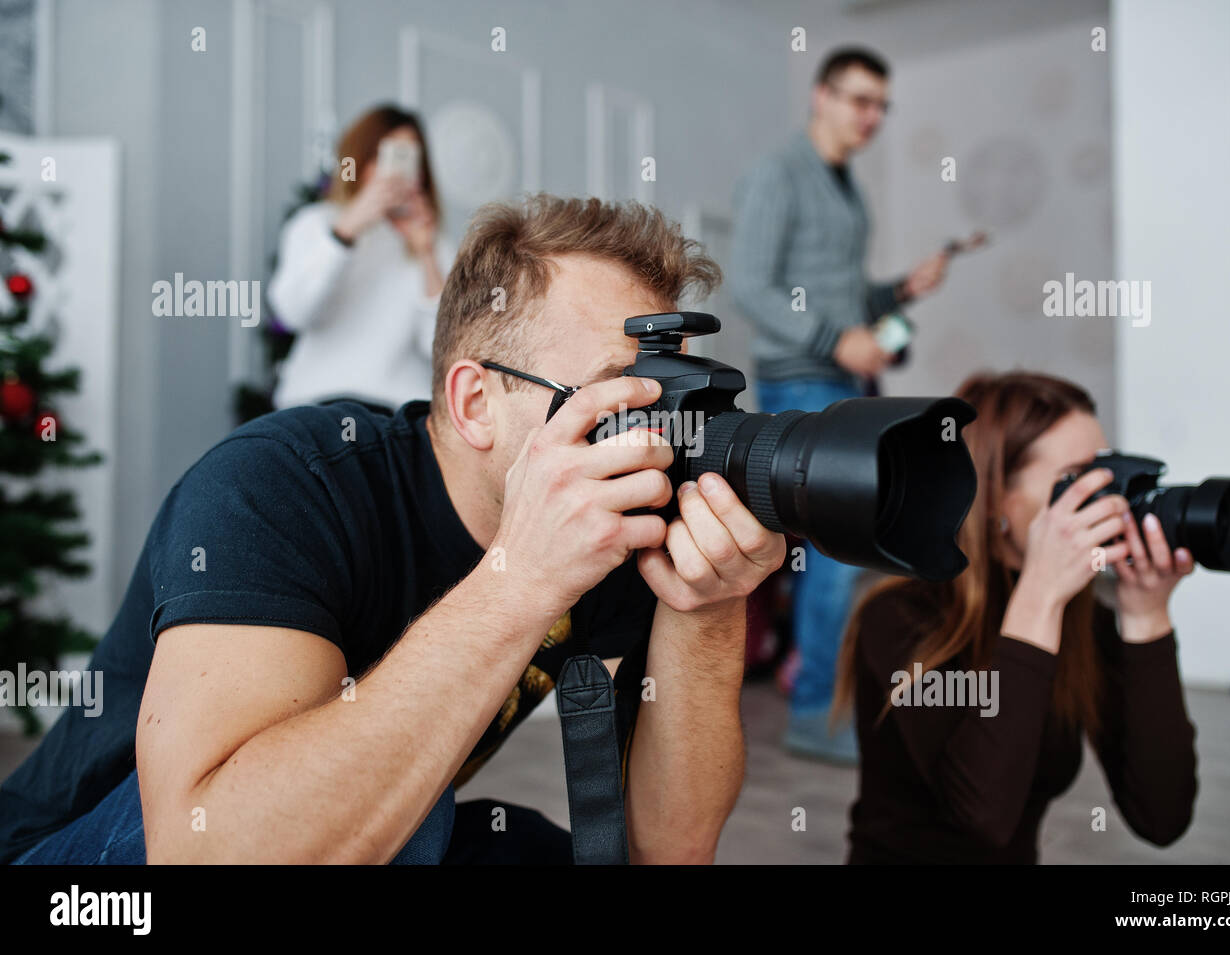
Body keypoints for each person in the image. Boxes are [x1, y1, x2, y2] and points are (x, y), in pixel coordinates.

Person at [0, 195, 787, 865]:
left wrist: (708, 609)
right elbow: (205, 844)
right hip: (85, 865)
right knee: (404, 816)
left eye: (668, 401)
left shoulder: (620, 522)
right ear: (476, 401)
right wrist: (522, 579)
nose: (653, 434)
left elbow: (666, 850)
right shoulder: (286, 481)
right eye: (621, 397)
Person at [835, 371, 1199, 864]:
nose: (1108, 503)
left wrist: (1146, 617)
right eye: (1078, 481)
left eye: (1107, 476)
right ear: (993, 499)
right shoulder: (900, 617)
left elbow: (1162, 817)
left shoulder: (1080, 621)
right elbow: (984, 814)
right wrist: (1040, 601)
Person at [730, 46, 951, 763]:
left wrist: (899, 293)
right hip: (800, 380)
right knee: (834, 553)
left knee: (848, 550)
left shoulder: (846, 186)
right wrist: (836, 339)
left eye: (882, 106)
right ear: (821, 95)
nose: (873, 118)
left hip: (839, 380)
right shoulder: (778, 174)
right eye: (861, 101)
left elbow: (844, 297)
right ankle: (817, 712)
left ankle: (824, 701)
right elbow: (752, 286)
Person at [268, 104, 458, 412]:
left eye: (410, 160)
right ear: (361, 162)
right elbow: (294, 312)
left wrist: (426, 253)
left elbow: (442, 347)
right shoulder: (316, 223)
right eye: (389, 158)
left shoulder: (435, 245)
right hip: (314, 405)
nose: (398, 173)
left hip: (398, 411)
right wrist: (348, 229)